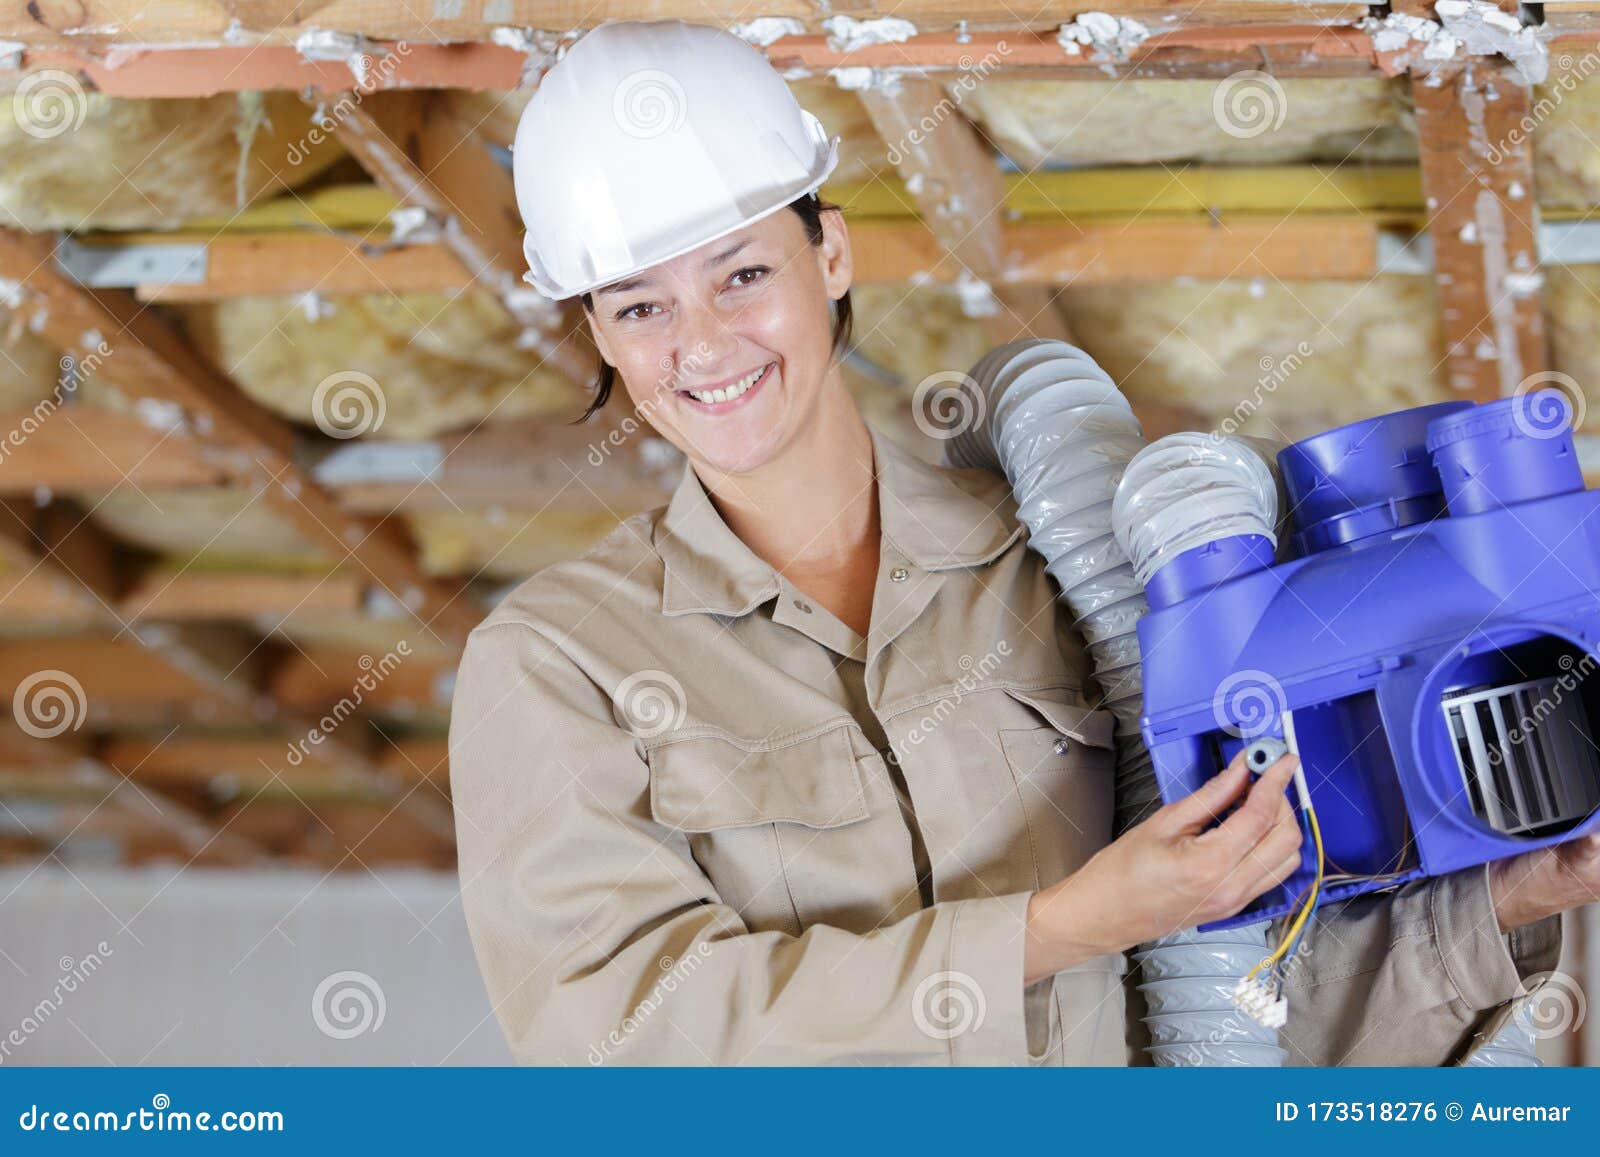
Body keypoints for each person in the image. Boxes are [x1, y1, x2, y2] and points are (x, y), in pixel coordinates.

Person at [448, 20, 1582, 1065]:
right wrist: (1058, 926)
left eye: (742, 275)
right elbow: (622, 1035)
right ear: (594, 325)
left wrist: (1508, 899)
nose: (702, 345)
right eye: (640, 306)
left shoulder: (1068, 563)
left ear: (830, 256)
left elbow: (1233, 978)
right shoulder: (558, 661)